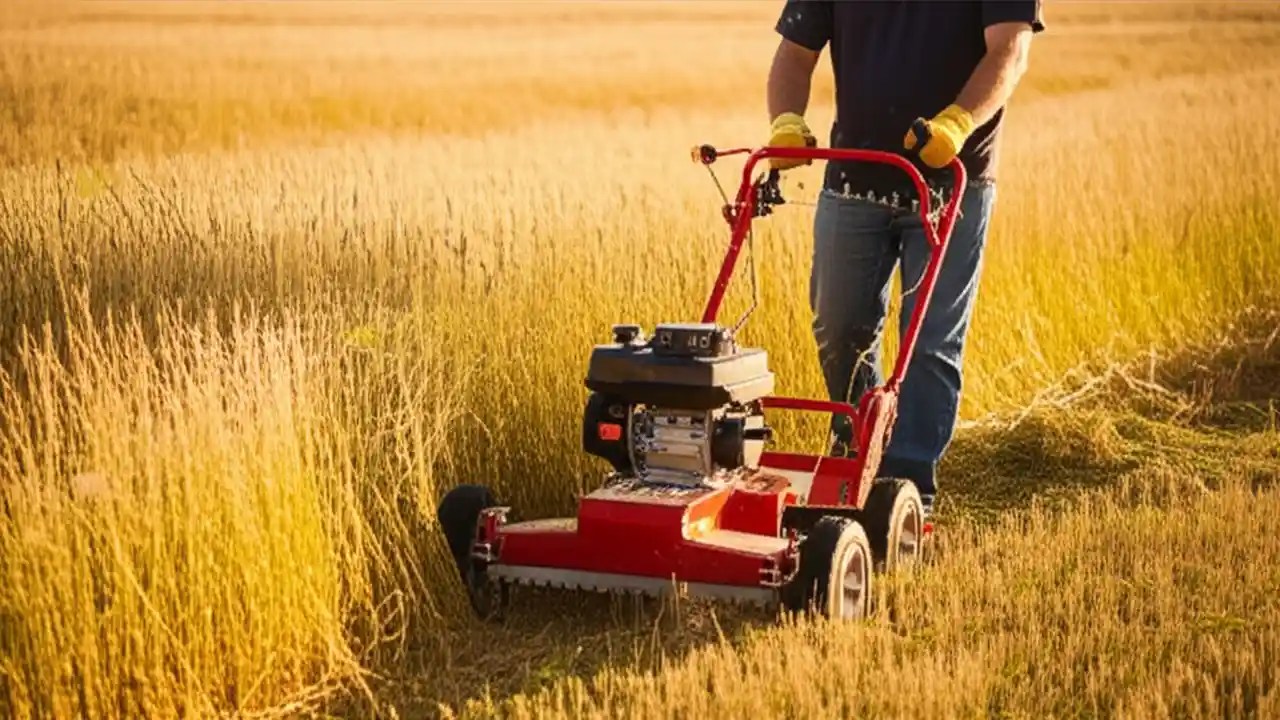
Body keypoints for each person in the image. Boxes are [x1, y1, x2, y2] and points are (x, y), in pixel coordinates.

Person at [766, 0, 1044, 518]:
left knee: (930, 343)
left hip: (951, 183)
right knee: (839, 326)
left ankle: (909, 490)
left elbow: (1010, 49)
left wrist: (958, 123)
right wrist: (786, 120)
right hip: (854, 175)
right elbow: (794, 52)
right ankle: (860, 456)